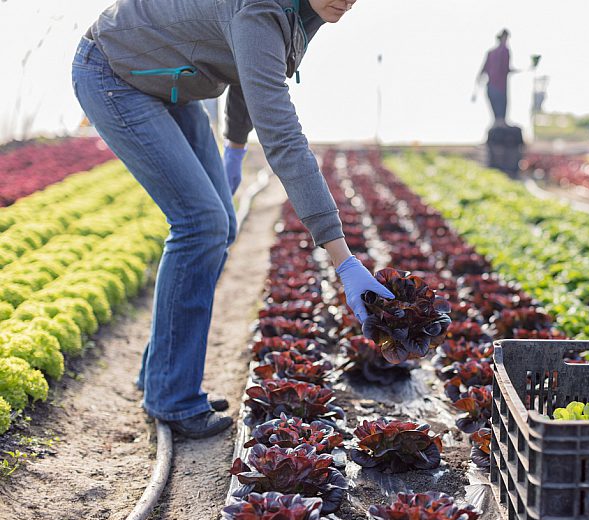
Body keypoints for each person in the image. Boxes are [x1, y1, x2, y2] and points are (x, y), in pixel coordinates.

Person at [72, 0, 393, 439]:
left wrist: (236, 147)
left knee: (220, 221)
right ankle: (171, 398)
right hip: (116, 71)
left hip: (167, 75)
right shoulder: (262, 9)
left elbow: (252, 70)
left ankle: (163, 373)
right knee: (200, 224)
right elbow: (283, 138)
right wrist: (344, 259)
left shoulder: (305, 12)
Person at [477, 29, 514, 126]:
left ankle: (496, 138)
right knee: (501, 119)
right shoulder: (505, 51)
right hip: (500, 88)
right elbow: (505, 69)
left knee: (497, 119)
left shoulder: (490, 52)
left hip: (490, 88)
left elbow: (483, 70)